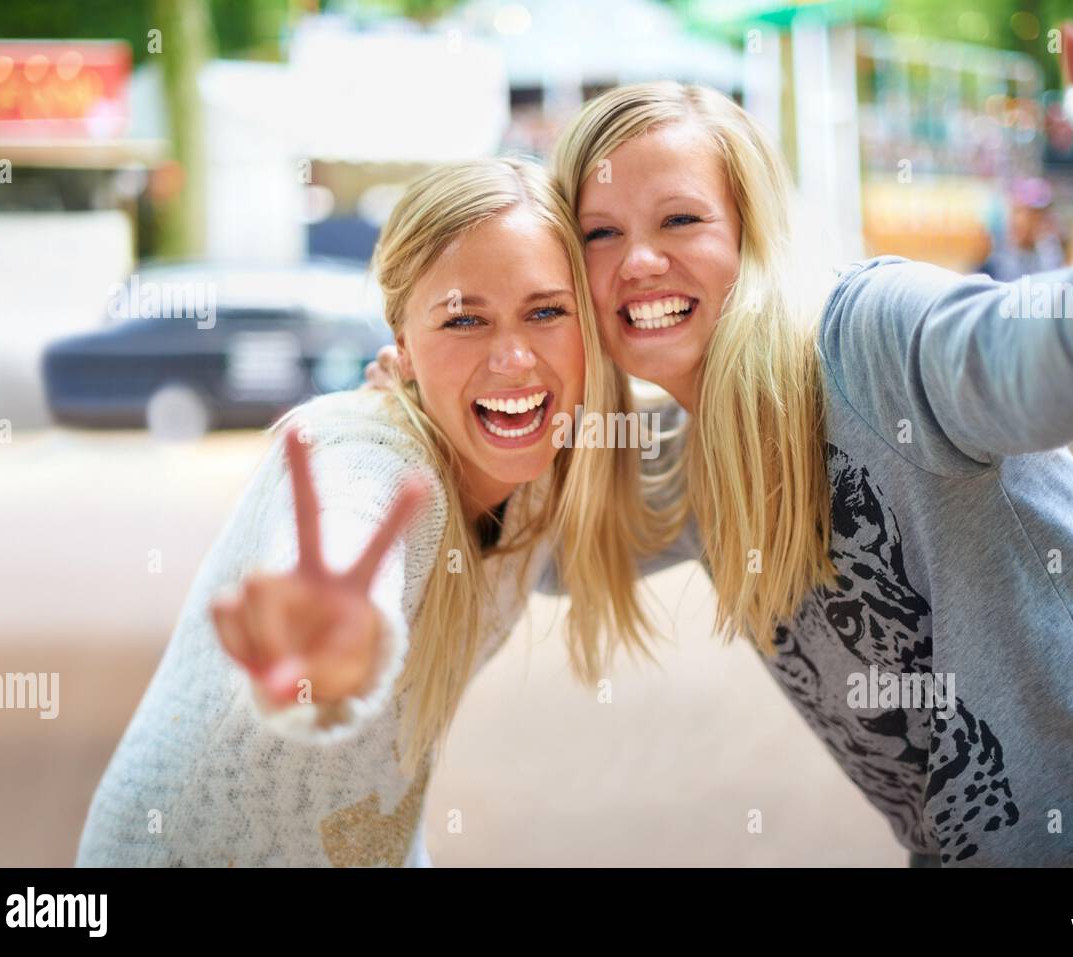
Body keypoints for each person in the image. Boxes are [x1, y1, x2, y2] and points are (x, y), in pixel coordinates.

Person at [366, 1, 1073, 867]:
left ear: (748, 233)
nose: (639, 260)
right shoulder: (680, 460)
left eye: (680, 219)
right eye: (600, 234)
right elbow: (532, 542)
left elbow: (1012, 353)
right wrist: (432, 403)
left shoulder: (867, 337)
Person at [75, 157, 653, 867]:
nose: (513, 358)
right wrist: (321, 634)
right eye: (465, 319)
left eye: (545, 311)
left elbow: (722, 464)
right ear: (401, 346)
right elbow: (346, 506)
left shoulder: (553, 471)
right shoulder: (370, 452)